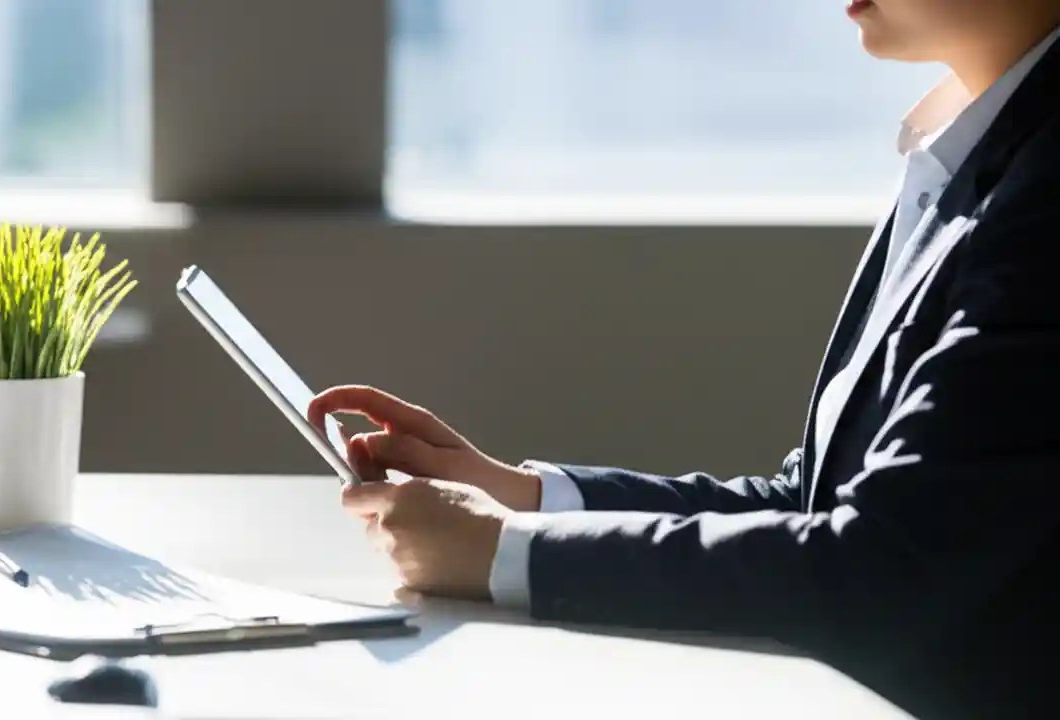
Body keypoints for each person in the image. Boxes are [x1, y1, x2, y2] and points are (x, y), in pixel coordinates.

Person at [307, 2, 1060, 718]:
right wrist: (521, 499)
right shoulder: (971, 147)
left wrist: (504, 553)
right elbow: (818, 506)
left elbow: (883, 568)